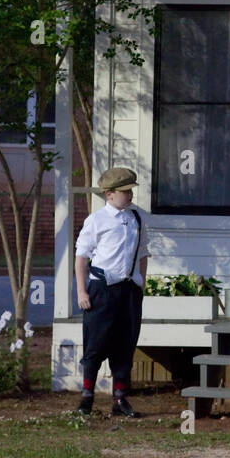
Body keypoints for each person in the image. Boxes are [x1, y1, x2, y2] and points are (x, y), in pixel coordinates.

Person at [74, 166, 148, 417]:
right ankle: (87, 398)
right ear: (109, 194)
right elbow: (82, 258)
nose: (129, 196)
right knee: (95, 344)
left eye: (130, 191)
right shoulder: (96, 221)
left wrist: (141, 282)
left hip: (128, 290)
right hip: (102, 289)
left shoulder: (136, 219)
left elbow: (143, 253)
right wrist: (82, 292)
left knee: (125, 344)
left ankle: (120, 399)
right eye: (124, 191)